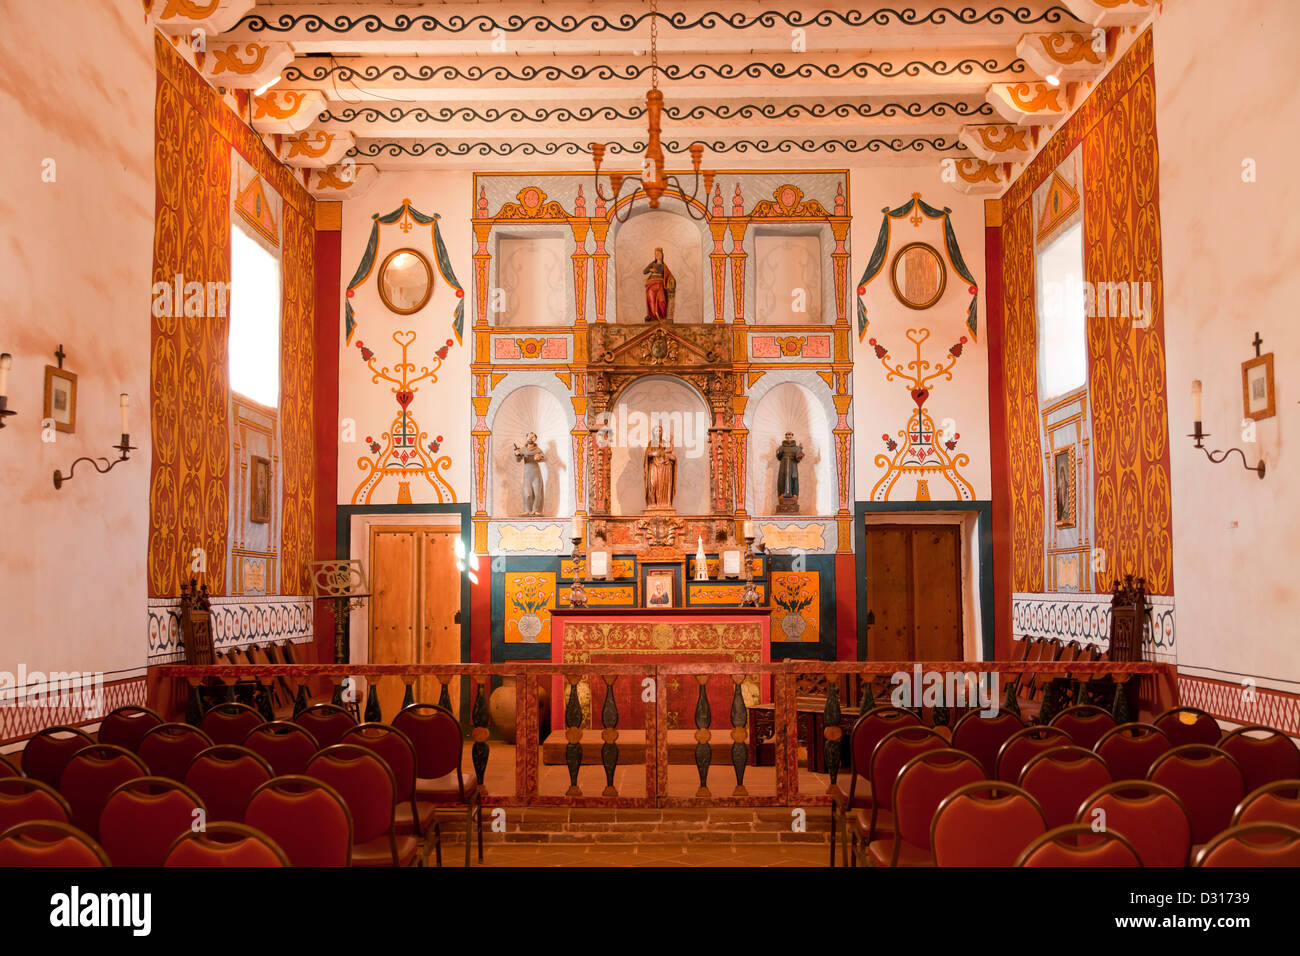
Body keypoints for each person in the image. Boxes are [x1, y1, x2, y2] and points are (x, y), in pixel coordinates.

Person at [513, 432, 545, 516]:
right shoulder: (523, 449)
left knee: (537, 492)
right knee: (527, 493)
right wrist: (517, 455)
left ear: (535, 438)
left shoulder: (538, 449)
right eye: (529, 436)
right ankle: (527, 510)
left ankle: (536, 510)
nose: (530, 438)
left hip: (536, 473)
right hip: (527, 473)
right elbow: (518, 460)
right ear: (526, 438)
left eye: (533, 437)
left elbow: (543, 458)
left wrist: (539, 457)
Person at [643, 247, 676, 321]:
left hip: (660, 284)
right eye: (656, 254)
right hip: (651, 284)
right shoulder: (652, 264)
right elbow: (644, 271)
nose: (658, 255)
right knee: (651, 301)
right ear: (655, 255)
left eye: (659, 253)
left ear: (662, 255)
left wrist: (672, 280)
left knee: (662, 301)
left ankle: (662, 317)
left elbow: (669, 275)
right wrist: (650, 269)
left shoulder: (664, 266)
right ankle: (653, 317)